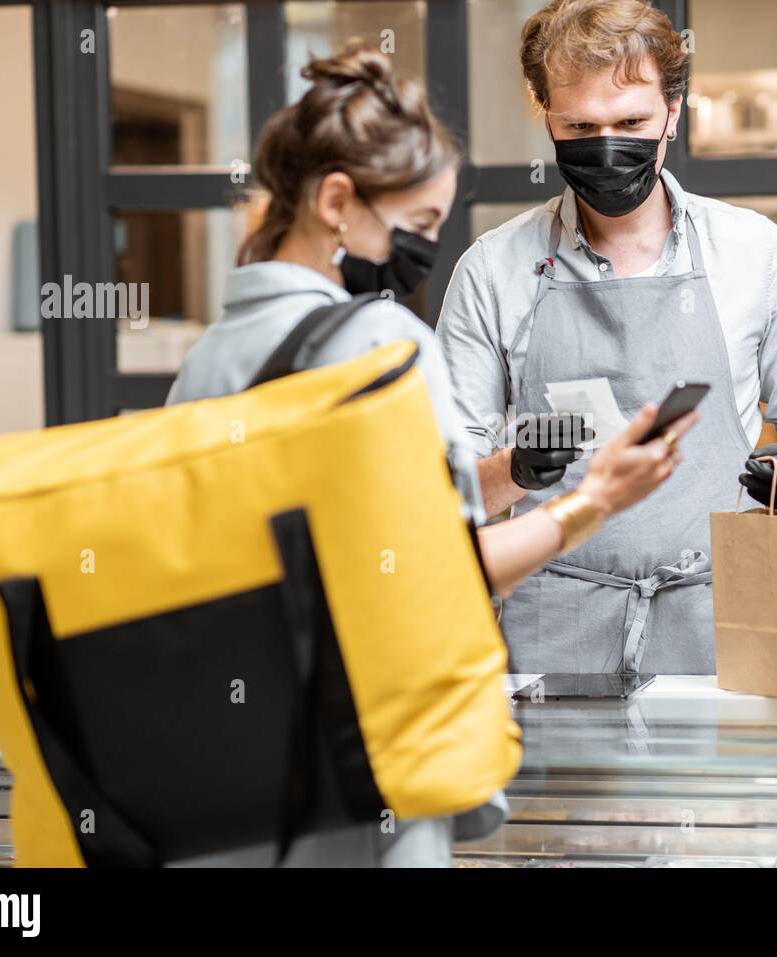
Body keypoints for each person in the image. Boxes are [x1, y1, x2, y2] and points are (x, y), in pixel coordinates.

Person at [167, 43, 695, 865]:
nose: (422, 254)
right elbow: (449, 573)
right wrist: (597, 499)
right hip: (370, 769)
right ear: (337, 201)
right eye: (416, 228)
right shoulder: (380, 343)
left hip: (230, 772)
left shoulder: (208, 357)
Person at [435, 0, 777, 677]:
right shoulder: (492, 271)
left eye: (631, 122)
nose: (608, 145)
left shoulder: (756, 253)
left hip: (725, 620)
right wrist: (515, 468)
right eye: (580, 126)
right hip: (551, 634)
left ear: (673, 109)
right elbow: (443, 498)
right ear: (544, 113)